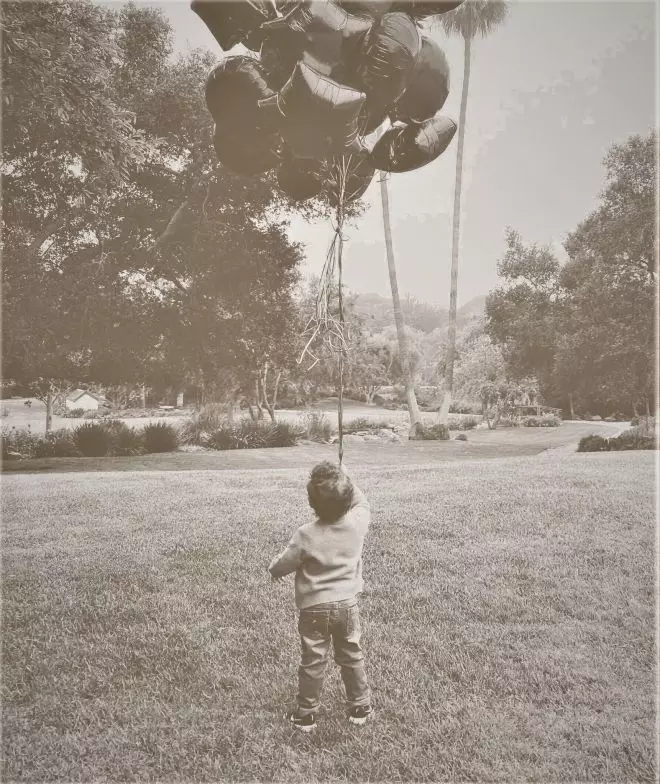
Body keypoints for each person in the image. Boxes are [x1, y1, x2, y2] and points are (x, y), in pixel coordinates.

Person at [269, 460, 373, 732]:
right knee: (351, 653)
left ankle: (306, 714)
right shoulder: (356, 523)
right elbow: (362, 502)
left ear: (312, 503)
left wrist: (273, 569)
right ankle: (360, 706)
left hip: (314, 608)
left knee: (313, 659)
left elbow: (285, 563)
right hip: (348, 605)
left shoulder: (306, 534)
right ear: (348, 497)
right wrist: (347, 477)